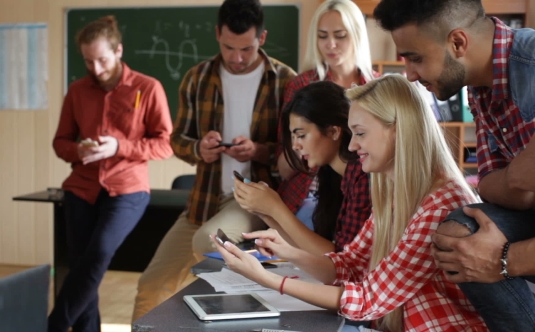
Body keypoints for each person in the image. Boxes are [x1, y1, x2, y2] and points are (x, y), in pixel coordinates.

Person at [212, 75, 488, 332]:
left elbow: (367, 299)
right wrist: (288, 251)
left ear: (397, 130)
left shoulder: (441, 204)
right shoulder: (396, 192)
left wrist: (267, 279)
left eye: (360, 133)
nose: (353, 146)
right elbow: (350, 264)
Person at [372, 0, 535, 330]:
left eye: (416, 58)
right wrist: (519, 177)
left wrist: (504, 261)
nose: (411, 75)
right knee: (458, 236)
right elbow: (493, 186)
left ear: (458, 43)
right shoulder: (477, 86)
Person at [131, 0, 296, 321]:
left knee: (208, 244)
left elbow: (297, 155)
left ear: (262, 38)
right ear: (217, 34)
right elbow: (177, 141)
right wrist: (199, 150)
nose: (236, 58)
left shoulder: (284, 81)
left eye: (246, 49)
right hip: (202, 201)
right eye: (228, 47)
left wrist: (258, 151)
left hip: (252, 202)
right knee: (151, 285)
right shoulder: (197, 78)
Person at [49, 16, 173, 332]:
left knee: (97, 257)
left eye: (102, 59)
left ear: (118, 50)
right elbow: (60, 142)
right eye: (88, 61)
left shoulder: (148, 88)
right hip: (81, 187)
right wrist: (79, 151)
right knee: (80, 269)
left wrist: (119, 146)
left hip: (128, 189)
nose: (96, 68)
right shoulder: (77, 91)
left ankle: (52, 325)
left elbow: (164, 145)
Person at [233, 80, 371, 255]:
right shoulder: (331, 175)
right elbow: (319, 249)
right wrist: (265, 212)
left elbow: (341, 259)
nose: (295, 146)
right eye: (293, 136)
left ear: (334, 131)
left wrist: (276, 208)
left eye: (301, 135)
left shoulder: (362, 175)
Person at [275, 0, 375, 239]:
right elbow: (283, 163)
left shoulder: (375, 89)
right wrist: (306, 140)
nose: (330, 45)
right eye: (322, 36)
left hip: (362, 196)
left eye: (340, 36)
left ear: (357, 36)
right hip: (308, 196)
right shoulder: (301, 85)